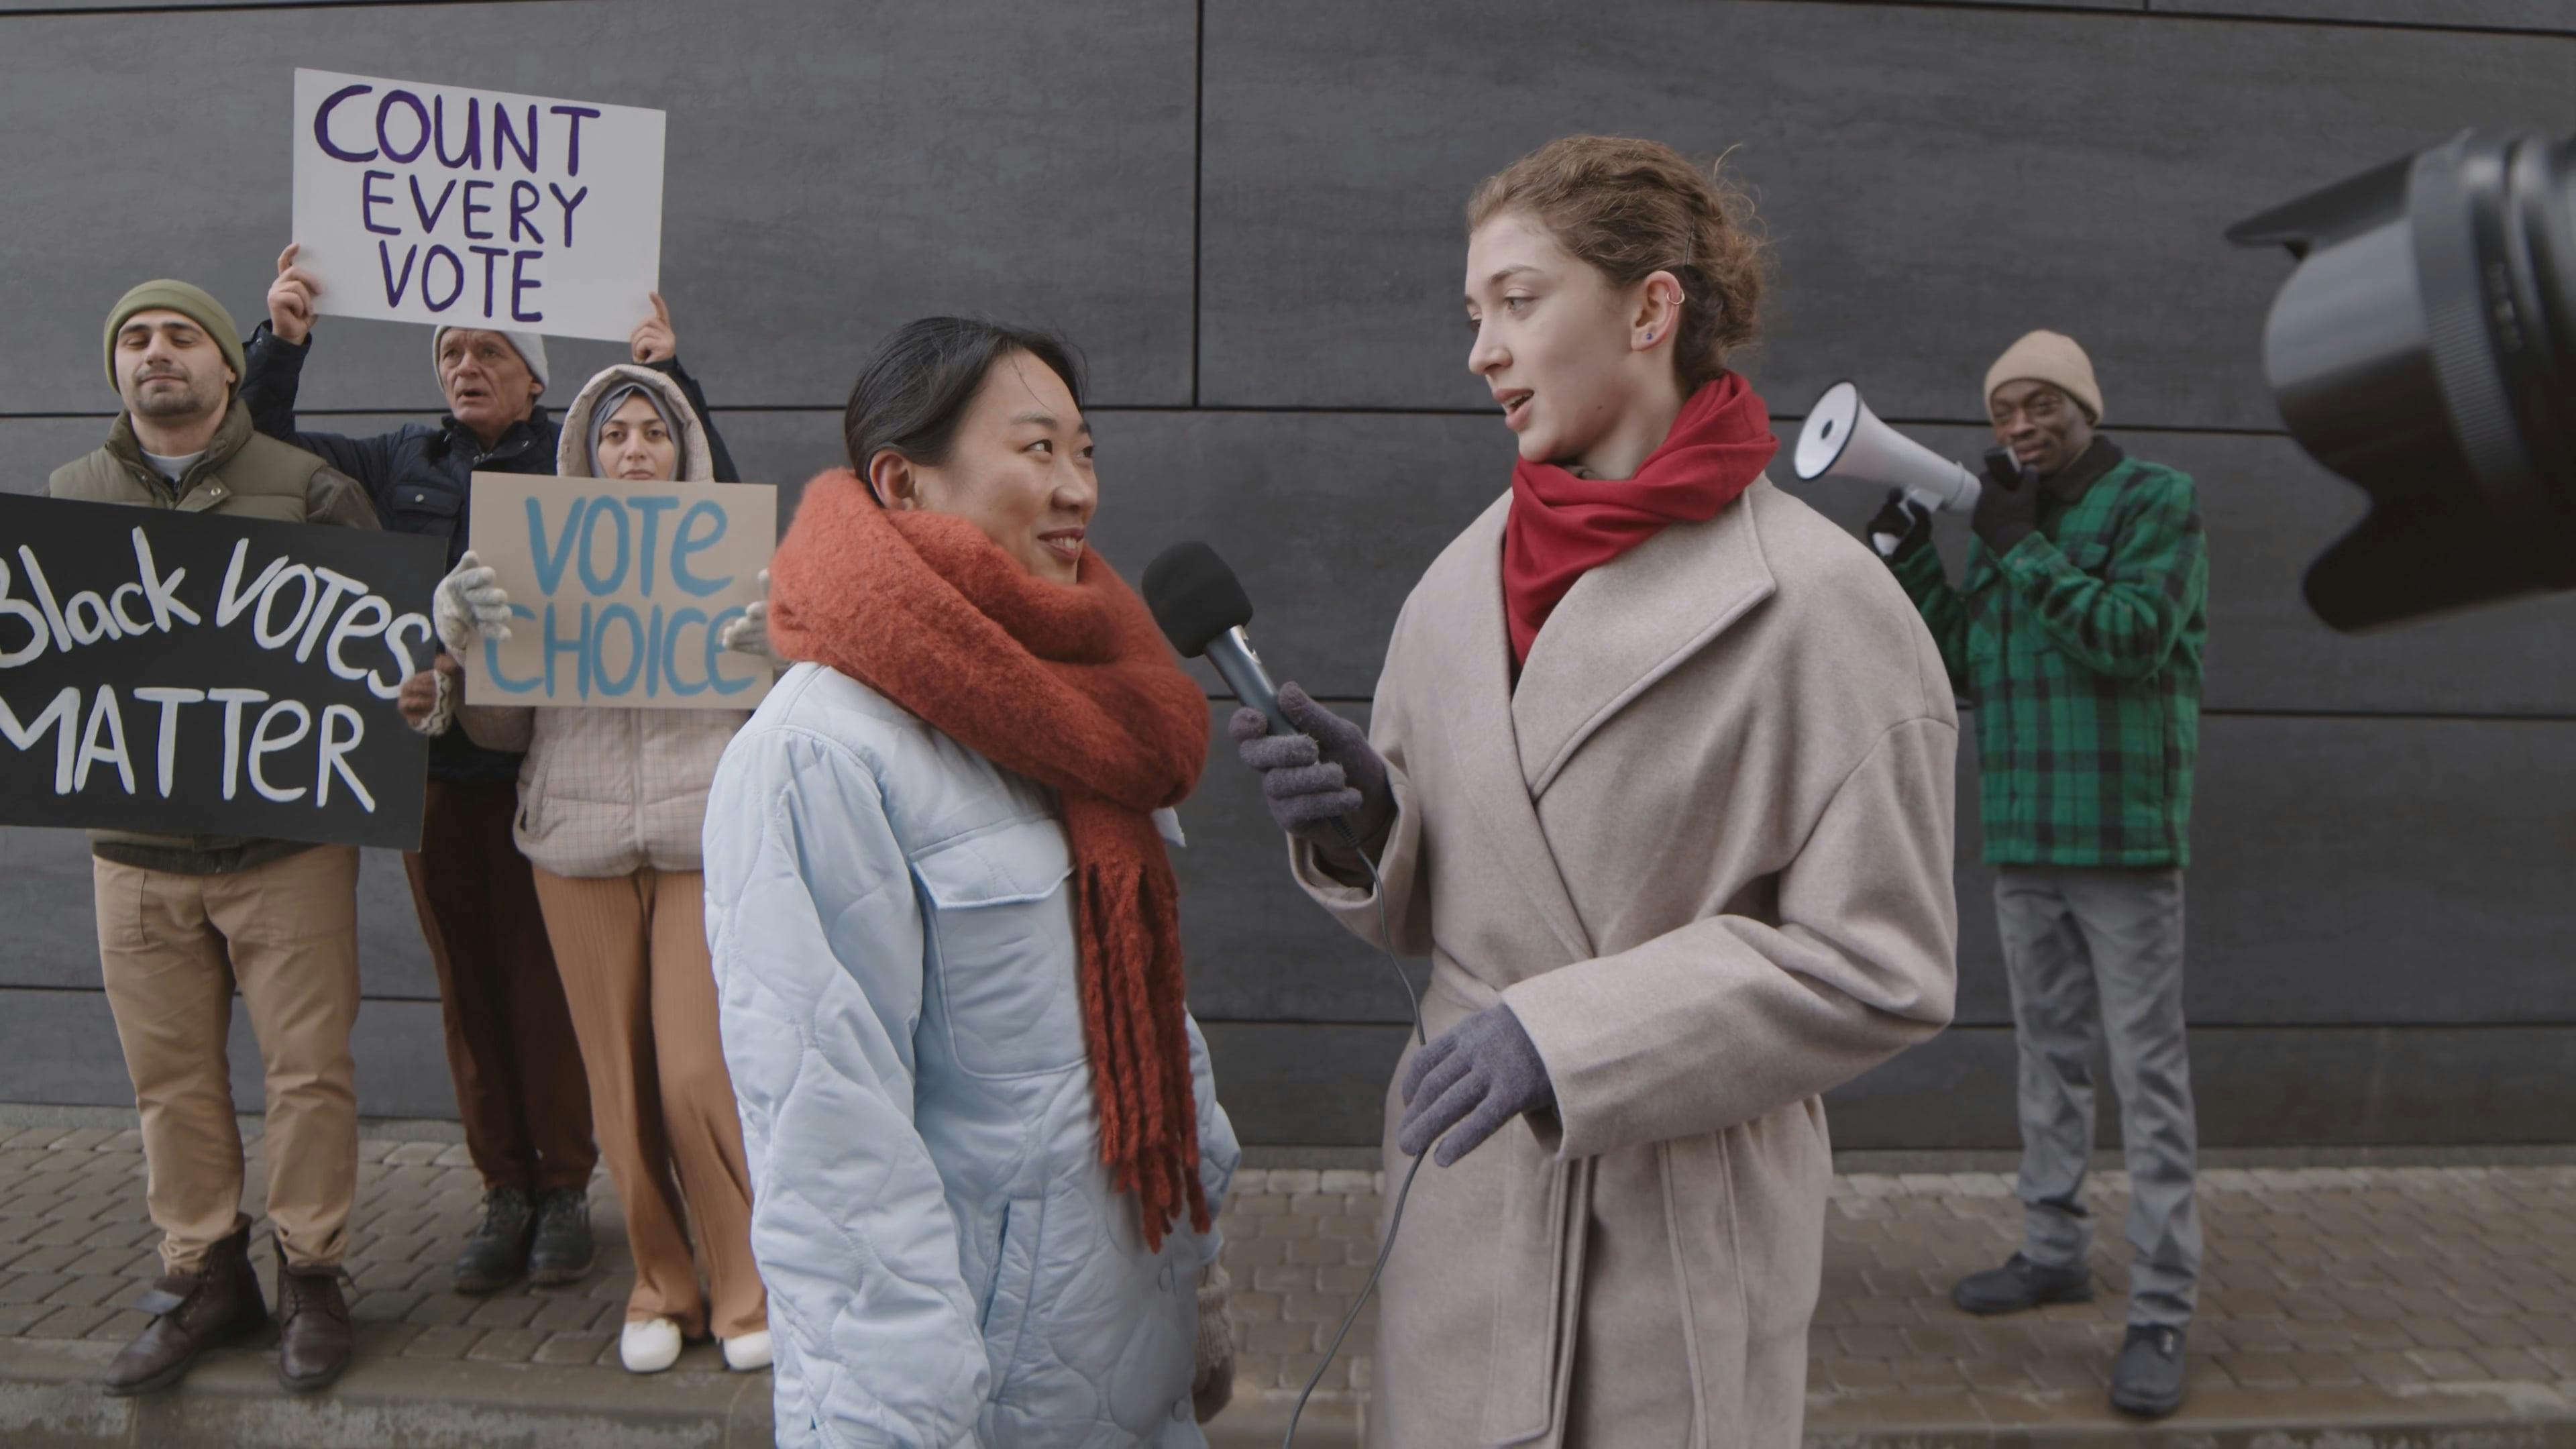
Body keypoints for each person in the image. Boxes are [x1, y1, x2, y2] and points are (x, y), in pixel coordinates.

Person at [1230, 137, 1960, 1447]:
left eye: (1518, 300)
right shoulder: (1455, 585)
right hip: (1467, 1211)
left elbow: (1887, 963)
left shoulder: (1829, 608)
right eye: (1472, 315)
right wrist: (1373, 833)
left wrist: (1571, 1038)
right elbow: (1432, 917)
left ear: (1649, 308)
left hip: (1678, 1237)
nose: (1481, 351)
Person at [700, 318, 1241, 1446]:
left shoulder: (1086, 704)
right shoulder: (819, 754)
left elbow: (1144, 1013)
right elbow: (831, 1152)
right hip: (977, 1397)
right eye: (1037, 450)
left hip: (1130, 1348)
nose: (1077, 490)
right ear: (903, 481)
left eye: (1086, 452)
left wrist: (1198, 1276)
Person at [247, 246, 730, 1295]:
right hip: (440, 773)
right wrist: (282, 343)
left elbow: (707, 517)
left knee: (552, 993)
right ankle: (501, 1189)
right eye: (451, 350)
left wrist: (671, 377)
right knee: (470, 992)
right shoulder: (390, 464)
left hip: (558, 772)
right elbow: (265, 448)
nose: (465, 365)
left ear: (535, 376)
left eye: (490, 350)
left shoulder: (581, 457)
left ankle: (567, 1188)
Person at [1870, 330, 2207, 1419]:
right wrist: (1908, 560)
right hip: (2024, 840)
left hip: (2123, 841)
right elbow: (1972, 666)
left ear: (2082, 404)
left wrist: (2015, 545)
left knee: (2146, 1076)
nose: (2019, 427)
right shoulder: (2016, 525)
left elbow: (2133, 636)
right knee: (2049, 1059)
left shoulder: (2157, 500)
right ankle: (2053, 1248)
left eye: (2039, 405)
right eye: (2003, 410)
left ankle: (2160, 1304)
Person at [50, 280, 378, 1395]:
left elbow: (378, 660)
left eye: (181, 336)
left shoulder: (308, 489)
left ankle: (315, 1276)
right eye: (134, 339)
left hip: (285, 849)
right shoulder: (67, 499)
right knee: (171, 1080)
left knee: (307, 1075)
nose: (157, 355)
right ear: (115, 369)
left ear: (226, 366)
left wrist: (420, 679)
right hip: (134, 855)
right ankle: (203, 1275)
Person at [419, 360, 771, 1374]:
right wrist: (466, 647)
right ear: (585, 451)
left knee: (696, 1072)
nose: (633, 451)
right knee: (615, 1083)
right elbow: (497, 728)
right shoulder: (537, 568)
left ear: (683, 448)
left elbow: (778, 718)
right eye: (614, 435)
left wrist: (780, 652)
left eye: (652, 434)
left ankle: (744, 1281)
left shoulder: (738, 563)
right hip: (572, 841)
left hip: (701, 837)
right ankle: (662, 1282)